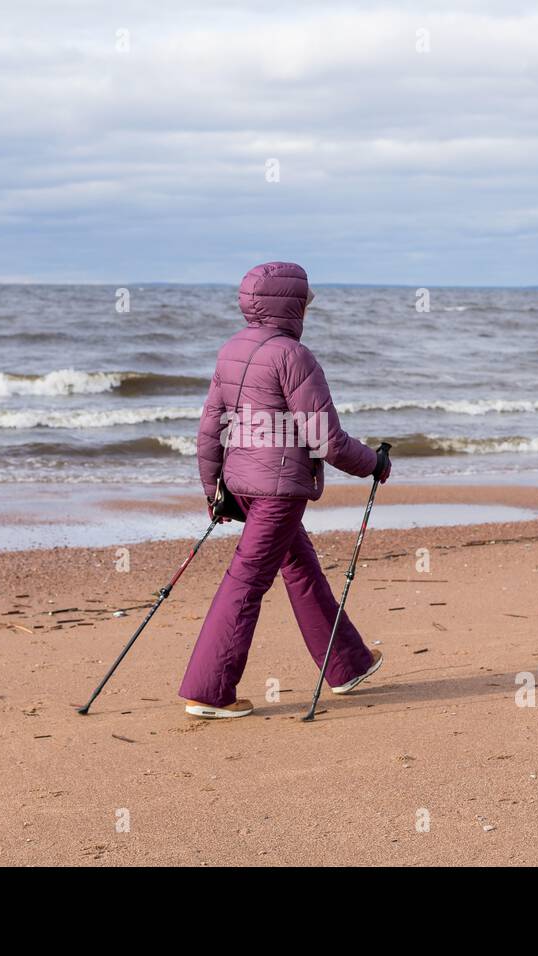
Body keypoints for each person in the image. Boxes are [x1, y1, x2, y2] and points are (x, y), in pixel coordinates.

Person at [179, 261, 391, 718]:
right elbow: (327, 441)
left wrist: (212, 490)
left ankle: (347, 664)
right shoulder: (294, 356)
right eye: (306, 298)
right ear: (291, 303)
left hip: (244, 484)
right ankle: (210, 692)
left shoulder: (231, 349)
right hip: (277, 491)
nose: (310, 305)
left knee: (300, 569)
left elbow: (209, 428)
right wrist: (373, 463)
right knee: (247, 580)